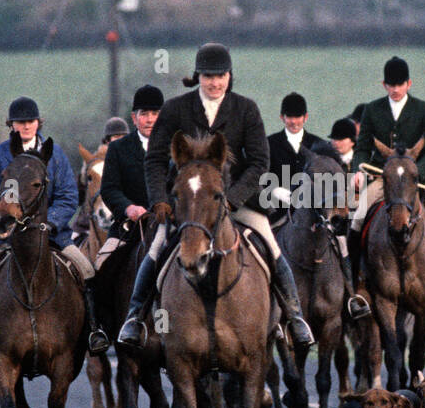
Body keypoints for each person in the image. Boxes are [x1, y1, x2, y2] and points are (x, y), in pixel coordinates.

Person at [116, 42, 315, 347]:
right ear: (198, 76)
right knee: (156, 247)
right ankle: (135, 317)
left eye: (220, 76)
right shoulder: (176, 109)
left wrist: (233, 197)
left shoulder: (245, 108)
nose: (214, 82)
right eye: (208, 76)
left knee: (271, 246)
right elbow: (154, 159)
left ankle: (294, 317)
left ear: (229, 76)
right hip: (188, 204)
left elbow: (260, 162)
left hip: (236, 200)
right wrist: (159, 200)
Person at [0, 96, 107, 357]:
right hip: (5, 235)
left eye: (30, 121)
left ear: (38, 123)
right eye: (20, 122)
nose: (26, 126)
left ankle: (94, 331)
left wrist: (51, 222)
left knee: (86, 269)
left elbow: (68, 195)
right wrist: (0, 220)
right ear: (11, 125)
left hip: (51, 234)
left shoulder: (54, 155)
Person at [346, 56, 425, 326]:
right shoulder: (372, 109)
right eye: (390, 85)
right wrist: (358, 170)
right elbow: (362, 148)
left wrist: (415, 173)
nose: (395, 89)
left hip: (419, 179)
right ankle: (356, 285)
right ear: (384, 85)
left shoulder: (424, 110)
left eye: (400, 84)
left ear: (409, 84)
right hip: (383, 177)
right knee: (357, 219)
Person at [99, 84, 162, 228]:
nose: (150, 120)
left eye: (155, 114)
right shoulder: (117, 148)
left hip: (168, 226)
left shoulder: (175, 147)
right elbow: (109, 189)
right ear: (134, 118)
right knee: (110, 245)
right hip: (129, 227)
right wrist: (128, 208)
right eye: (144, 114)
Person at [266, 92, 324, 222]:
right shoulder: (268, 144)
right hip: (277, 213)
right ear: (282, 117)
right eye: (289, 117)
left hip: (313, 214)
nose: (293, 122)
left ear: (305, 117)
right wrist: (274, 190)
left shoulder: (319, 145)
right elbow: (259, 174)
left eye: (298, 117)